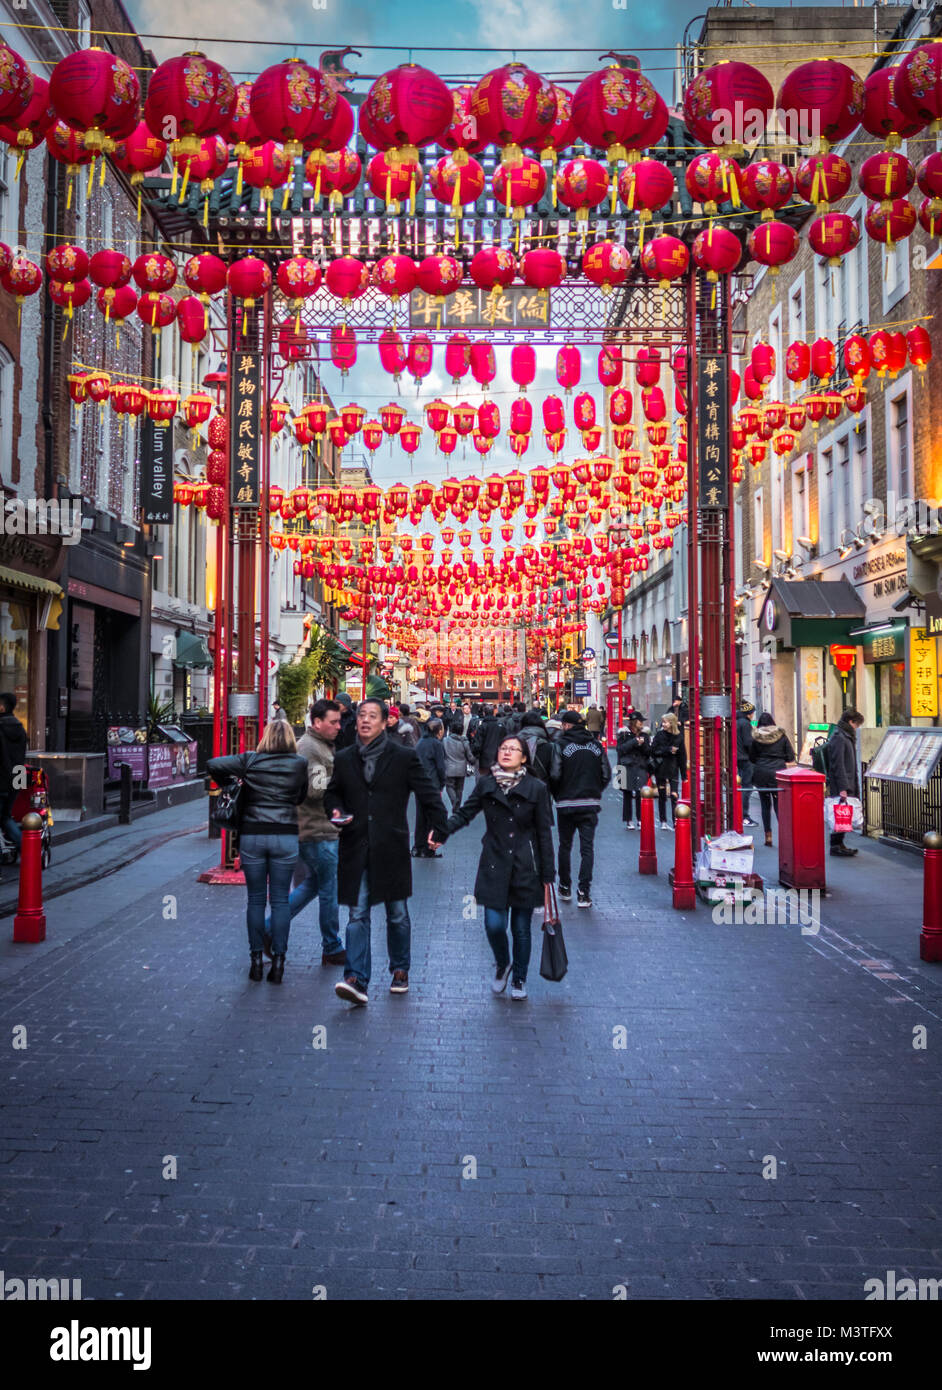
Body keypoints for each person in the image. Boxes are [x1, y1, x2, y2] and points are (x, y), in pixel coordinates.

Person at [325, 698, 448, 1005]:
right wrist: (336, 810)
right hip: (356, 844)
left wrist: (439, 828)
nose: (365, 720)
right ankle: (356, 978)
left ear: (384, 723)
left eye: (372, 716)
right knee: (358, 914)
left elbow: (429, 794)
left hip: (390, 844)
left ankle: (400, 969)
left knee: (396, 913)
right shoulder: (343, 757)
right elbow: (332, 793)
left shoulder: (403, 756)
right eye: (362, 715)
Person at [430, 735, 555, 1001]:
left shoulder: (537, 788)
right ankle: (503, 963)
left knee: (521, 928)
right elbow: (465, 813)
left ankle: (519, 978)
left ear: (524, 757)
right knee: (494, 924)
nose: (507, 752)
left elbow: (544, 832)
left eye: (514, 749)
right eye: (503, 748)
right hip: (494, 861)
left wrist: (548, 874)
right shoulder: (487, 784)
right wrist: (443, 833)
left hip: (525, 864)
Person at [207, 720, 308, 984]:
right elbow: (300, 798)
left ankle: (255, 962)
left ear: (264, 737)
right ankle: (278, 961)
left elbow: (213, 764)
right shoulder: (299, 764)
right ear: (289, 738)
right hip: (285, 835)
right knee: (280, 900)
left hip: (252, 835)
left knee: (255, 900)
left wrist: (234, 783)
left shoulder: (250, 760)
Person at [268, 698, 346, 967]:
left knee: (315, 885)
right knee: (328, 890)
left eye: (339, 721)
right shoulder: (310, 749)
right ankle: (332, 945)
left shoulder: (320, 746)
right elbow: (313, 791)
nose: (339, 726)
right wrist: (341, 788)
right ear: (317, 722)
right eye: (333, 722)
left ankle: (269, 929)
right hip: (317, 829)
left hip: (320, 828)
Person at [549, 708, 611, 907]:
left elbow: (555, 774)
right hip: (590, 802)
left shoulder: (560, 745)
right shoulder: (596, 745)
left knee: (565, 846)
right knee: (587, 849)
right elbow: (606, 773)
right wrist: (595, 790)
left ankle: (565, 886)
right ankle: (584, 892)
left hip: (566, 802)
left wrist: (558, 794)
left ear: (566, 726)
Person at [749, 711, 797, 847]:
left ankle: (768, 836)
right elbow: (790, 756)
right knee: (778, 804)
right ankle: (784, 835)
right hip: (778, 772)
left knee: (765, 805)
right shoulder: (781, 736)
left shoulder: (756, 737)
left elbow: (752, 757)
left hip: (761, 772)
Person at [826, 708, 865, 857]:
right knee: (840, 812)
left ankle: (839, 844)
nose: (857, 728)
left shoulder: (844, 735)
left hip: (847, 780)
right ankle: (836, 845)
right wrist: (843, 787)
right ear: (851, 722)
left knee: (843, 814)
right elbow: (838, 764)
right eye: (857, 724)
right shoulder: (839, 737)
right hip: (843, 782)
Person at [413, 717, 446, 857]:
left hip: (419, 783)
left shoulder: (420, 743)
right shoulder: (436, 744)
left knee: (421, 817)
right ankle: (428, 848)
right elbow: (440, 767)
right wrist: (442, 783)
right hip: (432, 784)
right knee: (432, 817)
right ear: (439, 730)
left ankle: (418, 847)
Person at [0, 692, 27, 859]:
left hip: (2, 778)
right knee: (5, 817)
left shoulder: (1, 727)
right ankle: (29, 850)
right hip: (18, 776)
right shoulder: (20, 727)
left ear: (2, 707)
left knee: (4, 817)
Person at [651, 712, 687, 829]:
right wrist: (667, 750)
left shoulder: (679, 737)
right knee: (662, 795)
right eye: (663, 722)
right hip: (660, 768)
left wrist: (684, 775)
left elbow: (682, 756)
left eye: (665, 722)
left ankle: (675, 820)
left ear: (671, 723)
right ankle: (663, 821)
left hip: (673, 769)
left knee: (674, 795)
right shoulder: (659, 735)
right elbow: (653, 751)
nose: (663, 724)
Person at [616, 713, 651, 829]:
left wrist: (642, 745)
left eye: (642, 721)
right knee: (627, 794)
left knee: (640, 793)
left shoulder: (645, 735)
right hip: (626, 766)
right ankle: (628, 820)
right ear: (634, 722)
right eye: (639, 721)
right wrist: (634, 742)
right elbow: (620, 750)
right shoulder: (624, 734)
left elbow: (648, 752)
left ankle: (640, 819)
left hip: (640, 766)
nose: (642, 723)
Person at [442, 722, 474, 811]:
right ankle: (457, 806)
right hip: (461, 769)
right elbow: (470, 756)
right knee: (459, 789)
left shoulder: (445, 741)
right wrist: (473, 762)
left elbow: (442, 754)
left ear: (452, 730)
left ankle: (454, 801)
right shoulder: (465, 742)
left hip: (449, 767)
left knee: (449, 786)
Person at [736, 700, 758, 827]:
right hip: (745, 758)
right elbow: (748, 743)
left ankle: (739, 813)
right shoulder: (745, 724)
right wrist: (754, 755)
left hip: (738, 757)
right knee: (746, 786)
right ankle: (744, 815)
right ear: (749, 714)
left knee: (741, 786)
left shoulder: (736, 722)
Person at [470, 703, 506, 775]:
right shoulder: (501, 726)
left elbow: (477, 744)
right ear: (493, 713)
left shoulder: (482, 726)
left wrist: (475, 754)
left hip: (484, 759)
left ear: (484, 713)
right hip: (498, 757)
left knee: (485, 779)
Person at [518, 709, 553, 782]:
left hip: (518, 785)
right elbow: (555, 773)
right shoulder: (550, 746)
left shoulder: (515, 743)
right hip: (543, 785)